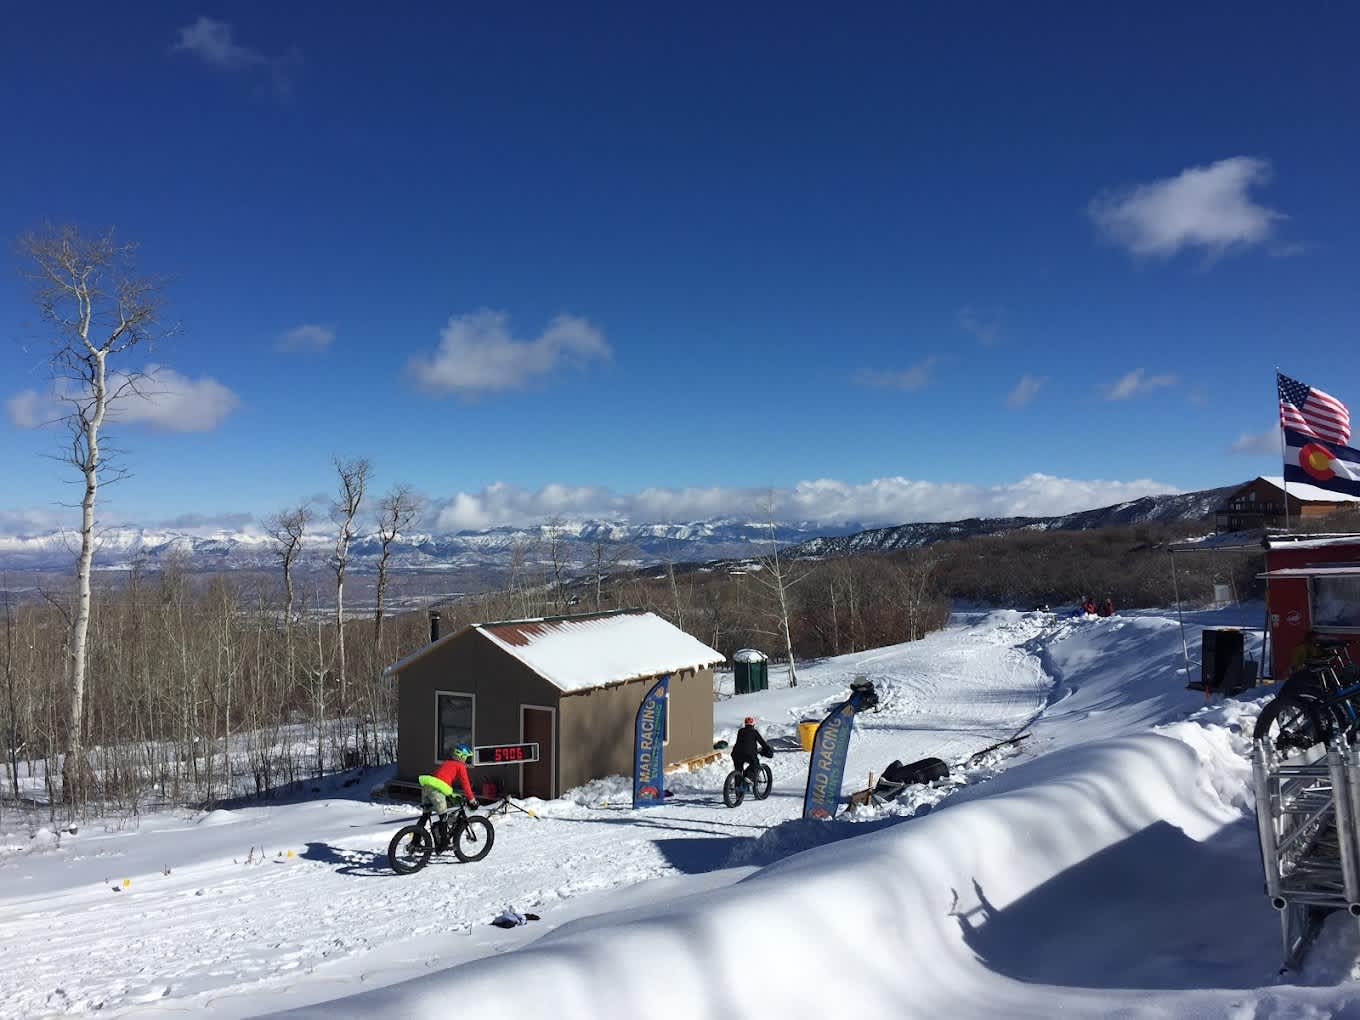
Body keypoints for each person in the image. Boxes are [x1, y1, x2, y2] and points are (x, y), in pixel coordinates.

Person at [418, 744, 477, 845]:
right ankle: (444, 843)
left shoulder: (447, 763)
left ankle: (414, 842)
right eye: (466, 758)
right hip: (437, 789)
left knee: (425, 814)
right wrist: (472, 799)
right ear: (462, 756)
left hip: (427, 786)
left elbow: (440, 778)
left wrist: (452, 795)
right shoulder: (460, 766)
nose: (466, 760)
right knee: (443, 816)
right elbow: (465, 783)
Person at [732, 716, 773, 789]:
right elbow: (763, 743)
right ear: (753, 724)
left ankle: (737, 790)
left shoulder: (740, 731)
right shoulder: (754, 732)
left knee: (738, 771)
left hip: (736, 754)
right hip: (748, 754)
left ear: (745, 724)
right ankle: (749, 777)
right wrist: (768, 750)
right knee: (755, 763)